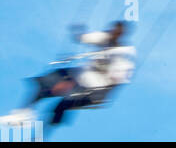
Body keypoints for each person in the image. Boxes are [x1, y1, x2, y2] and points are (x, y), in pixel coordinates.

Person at [0, 20, 135, 129]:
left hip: (93, 87)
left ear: (121, 35)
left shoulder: (122, 55)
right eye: (112, 31)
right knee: (45, 81)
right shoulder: (105, 38)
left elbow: (116, 81)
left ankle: (39, 136)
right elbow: (84, 38)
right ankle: (23, 115)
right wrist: (79, 32)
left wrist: (97, 95)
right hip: (79, 74)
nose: (112, 33)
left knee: (57, 108)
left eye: (116, 33)